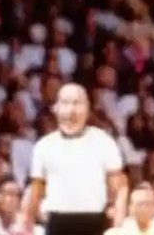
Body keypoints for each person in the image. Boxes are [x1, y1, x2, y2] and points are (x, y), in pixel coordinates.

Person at [22, 83, 129, 235]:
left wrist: (118, 227)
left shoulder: (103, 141)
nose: (71, 110)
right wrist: (27, 225)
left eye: (77, 103)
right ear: (55, 108)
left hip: (95, 222)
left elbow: (120, 188)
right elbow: (35, 191)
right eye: (65, 103)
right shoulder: (44, 146)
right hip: (57, 223)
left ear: (88, 109)